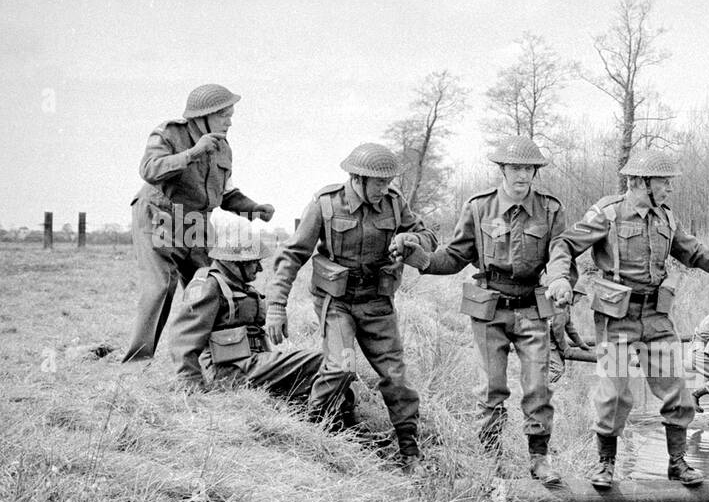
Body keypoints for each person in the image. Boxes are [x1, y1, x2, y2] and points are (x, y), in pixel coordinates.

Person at [548, 149, 709, 489]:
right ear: (640, 182)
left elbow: (694, 252)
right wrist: (560, 278)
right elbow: (564, 243)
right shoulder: (607, 214)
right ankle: (605, 464)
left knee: (677, 391)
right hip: (615, 318)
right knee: (614, 393)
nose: (669, 188)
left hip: (655, 316)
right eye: (663, 182)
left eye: (668, 182)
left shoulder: (666, 217)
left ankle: (677, 462)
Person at [266, 143, 437, 474]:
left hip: (377, 301)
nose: (385, 189)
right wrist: (275, 307)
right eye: (379, 183)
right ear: (358, 179)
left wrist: (411, 242)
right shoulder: (326, 203)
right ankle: (313, 436)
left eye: (389, 182)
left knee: (396, 376)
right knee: (340, 368)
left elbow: (426, 235)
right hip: (337, 302)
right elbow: (291, 256)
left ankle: (410, 452)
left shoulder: (394, 202)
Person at [422, 136, 572, 484]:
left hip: (533, 307)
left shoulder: (550, 210)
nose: (522, 175)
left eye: (528, 169)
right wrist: (424, 260)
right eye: (515, 168)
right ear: (502, 170)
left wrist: (561, 279)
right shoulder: (478, 208)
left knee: (538, 387)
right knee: (491, 389)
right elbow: (455, 255)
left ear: (535, 172)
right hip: (490, 309)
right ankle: (490, 463)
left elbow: (560, 253)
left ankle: (539, 458)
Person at [124, 84, 274, 362]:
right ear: (202, 116)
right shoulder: (169, 133)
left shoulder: (223, 148)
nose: (229, 121)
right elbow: (149, 169)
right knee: (160, 285)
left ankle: (222, 358)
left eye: (230, 115)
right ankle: (137, 363)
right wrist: (193, 152)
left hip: (196, 220)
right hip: (160, 214)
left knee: (212, 283)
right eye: (223, 115)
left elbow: (225, 193)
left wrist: (254, 208)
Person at [170, 242, 334, 402]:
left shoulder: (239, 285)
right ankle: (317, 413)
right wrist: (190, 384)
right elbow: (184, 337)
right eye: (255, 263)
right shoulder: (209, 284)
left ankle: (331, 420)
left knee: (333, 375)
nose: (260, 269)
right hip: (229, 371)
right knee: (324, 360)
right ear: (235, 263)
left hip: (252, 364)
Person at [548, 281, 594, 385]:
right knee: (557, 369)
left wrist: (581, 344)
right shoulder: (560, 306)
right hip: (546, 339)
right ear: (572, 294)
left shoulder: (566, 306)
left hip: (551, 338)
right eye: (579, 297)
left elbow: (569, 327)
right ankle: (537, 390)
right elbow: (557, 331)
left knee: (559, 366)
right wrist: (565, 348)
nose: (579, 300)